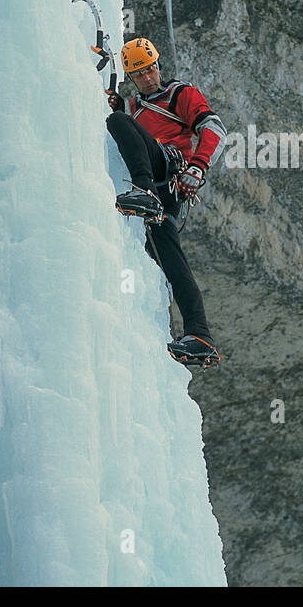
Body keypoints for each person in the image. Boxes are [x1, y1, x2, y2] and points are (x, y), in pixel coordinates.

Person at [106, 37, 226, 367]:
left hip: (166, 178)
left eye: (151, 69)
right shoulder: (133, 108)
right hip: (161, 193)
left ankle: (142, 191)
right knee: (169, 258)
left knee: (117, 122)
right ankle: (199, 334)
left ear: (158, 66)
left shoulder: (179, 95)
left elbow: (214, 129)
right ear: (132, 78)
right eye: (140, 74)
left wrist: (198, 166)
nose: (148, 77)